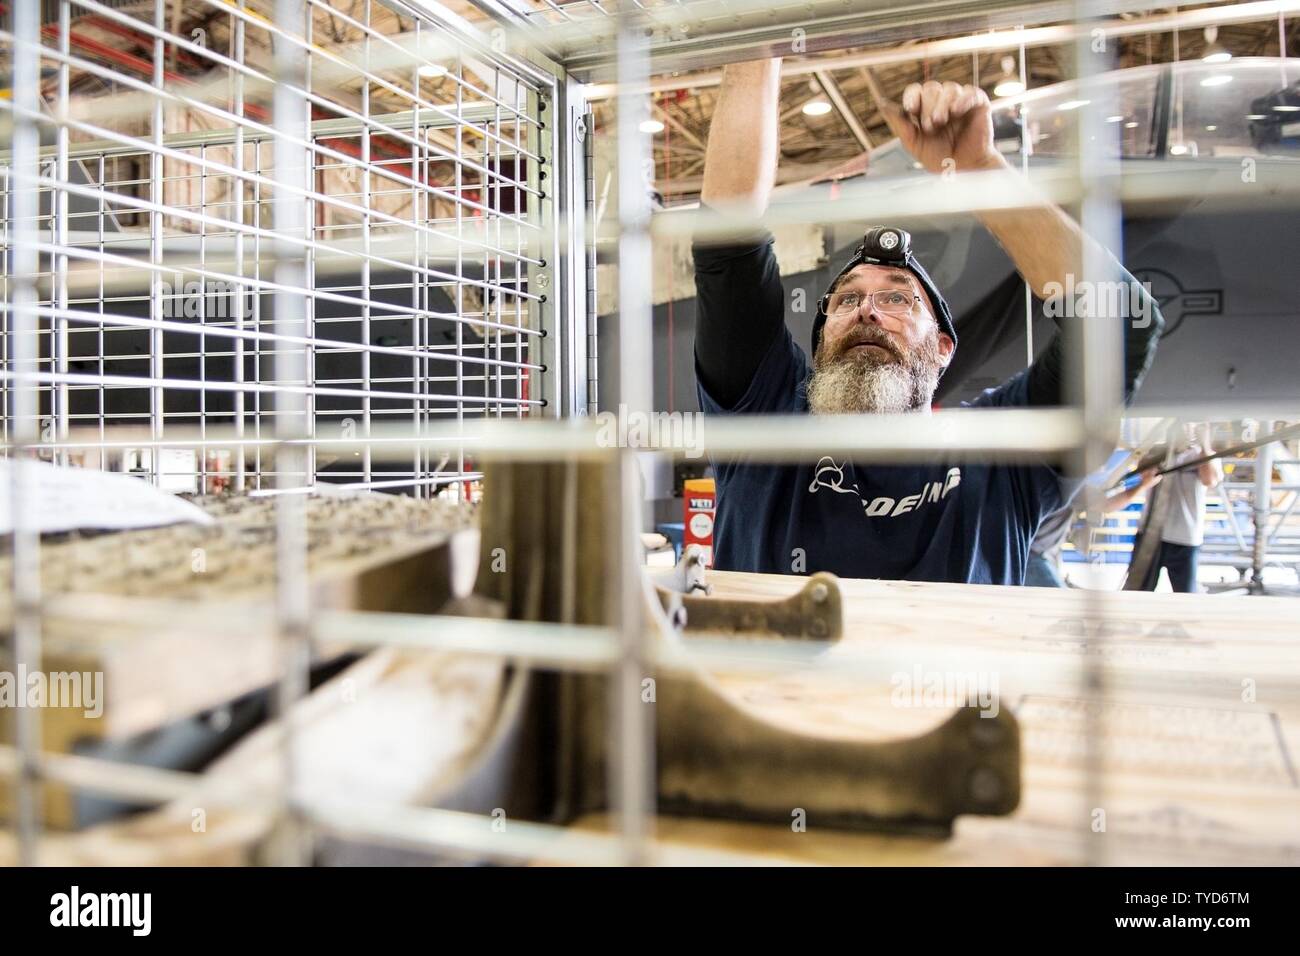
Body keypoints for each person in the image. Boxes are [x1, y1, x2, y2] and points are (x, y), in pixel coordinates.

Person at [692, 59, 1164, 584]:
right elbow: (727, 240)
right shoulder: (767, 424)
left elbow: (1120, 320)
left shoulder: (1002, 453)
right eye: (846, 301)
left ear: (943, 348)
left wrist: (979, 169)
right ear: (820, 343)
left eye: (898, 300)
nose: (868, 309)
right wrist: (759, 48)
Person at [1025, 467, 1160, 587]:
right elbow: (1107, 505)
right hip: (1035, 555)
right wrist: (1142, 485)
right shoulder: (1068, 482)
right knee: (1061, 603)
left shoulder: (1049, 473)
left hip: (1039, 552)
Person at [1130, 424, 1223, 592]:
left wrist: (1205, 446)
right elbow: (1142, 471)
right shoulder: (1157, 453)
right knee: (1139, 589)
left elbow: (1210, 480)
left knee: (1186, 593)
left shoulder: (1203, 456)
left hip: (1185, 536)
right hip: (1151, 534)